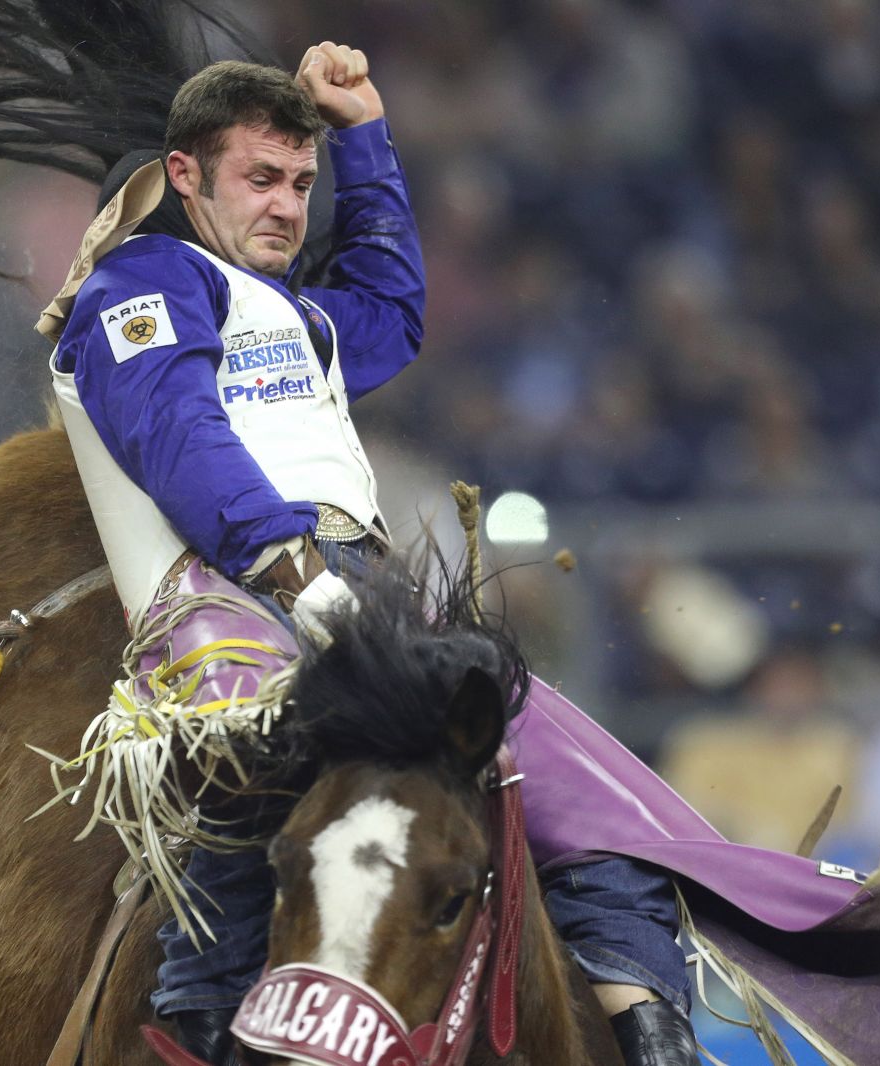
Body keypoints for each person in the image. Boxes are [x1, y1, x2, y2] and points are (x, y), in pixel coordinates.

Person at [43, 46, 695, 1066]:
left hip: (361, 585)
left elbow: (391, 316)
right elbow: (178, 440)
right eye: (261, 179)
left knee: (579, 785)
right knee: (242, 743)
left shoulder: (294, 313)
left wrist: (363, 137)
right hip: (224, 593)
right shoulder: (140, 284)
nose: (288, 209)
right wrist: (295, 575)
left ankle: (648, 1023)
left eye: (301, 186)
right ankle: (203, 1012)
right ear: (184, 176)